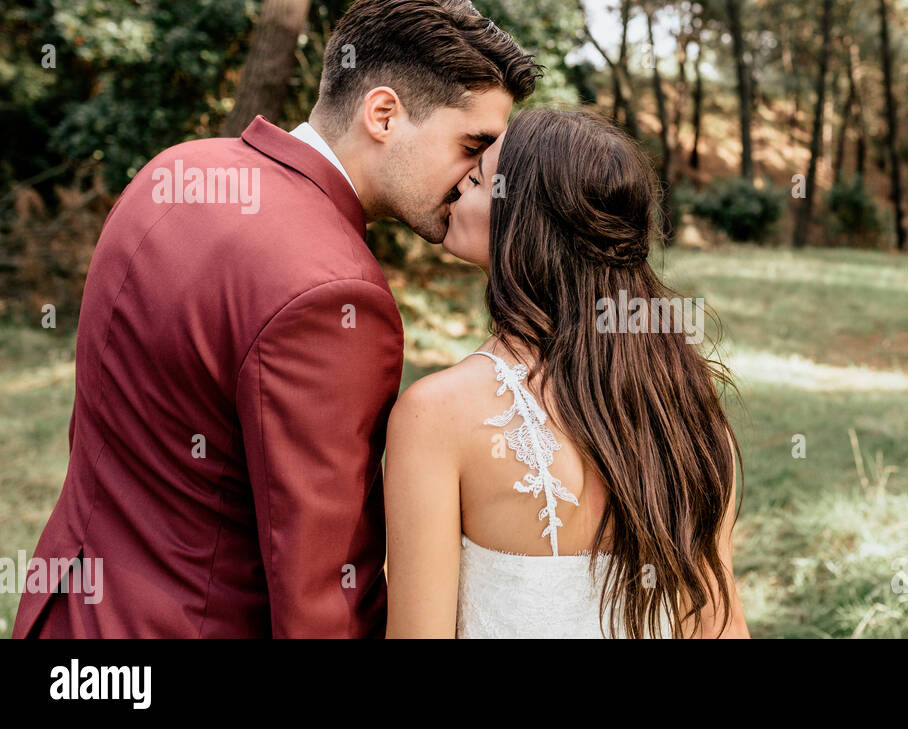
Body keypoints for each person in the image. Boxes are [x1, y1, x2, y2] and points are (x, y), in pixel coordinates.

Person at [12, 0, 538, 638]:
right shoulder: (335, 296)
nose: (478, 177)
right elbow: (323, 597)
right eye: (472, 144)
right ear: (383, 114)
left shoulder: (176, 172)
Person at [384, 109, 749, 638]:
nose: (458, 181)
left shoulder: (436, 413)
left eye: (479, 176)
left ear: (527, 220)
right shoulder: (685, 400)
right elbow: (722, 626)